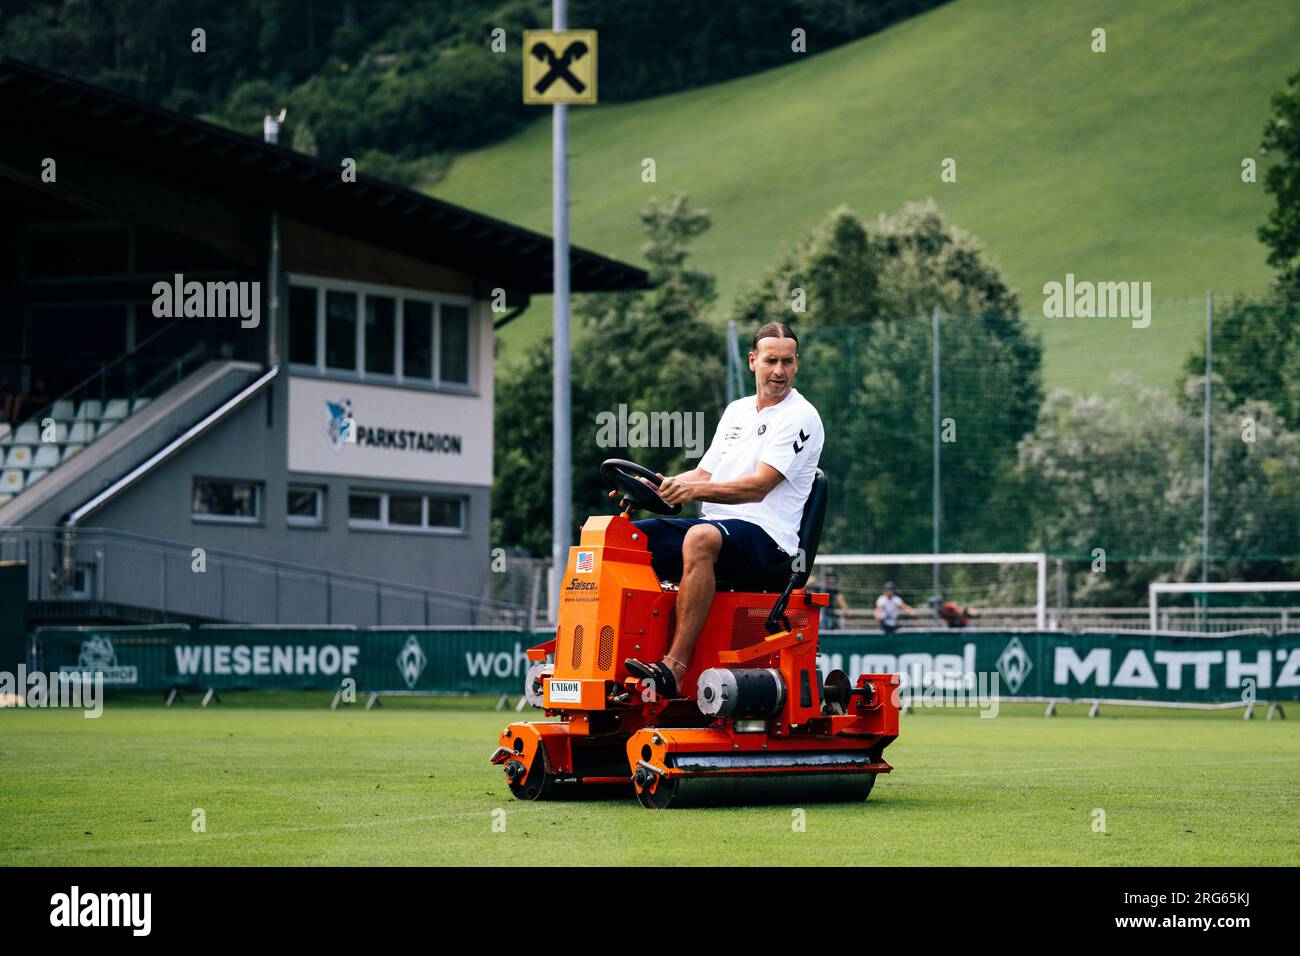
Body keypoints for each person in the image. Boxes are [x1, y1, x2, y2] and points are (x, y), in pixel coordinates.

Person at [619, 322, 824, 698]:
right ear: (753, 362)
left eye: (787, 362)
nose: (779, 370)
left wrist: (691, 490)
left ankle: (674, 669)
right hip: (719, 529)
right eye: (771, 360)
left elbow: (759, 486)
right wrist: (659, 486)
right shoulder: (737, 411)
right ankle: (609, 658)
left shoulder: (802, 417)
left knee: (699, 537)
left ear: (797, 365)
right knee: (624, 538)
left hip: (769, 540)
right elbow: (704, 472)